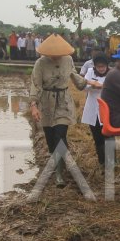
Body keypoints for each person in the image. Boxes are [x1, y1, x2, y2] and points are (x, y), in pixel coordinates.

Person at [29, 34, 86, 187]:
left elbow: (74, 74)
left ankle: (59, 174)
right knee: (51, 139)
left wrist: (88, 83)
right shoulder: (40, 63)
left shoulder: (68, 59)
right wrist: (33, 106)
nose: (55, 57)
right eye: (52, 55)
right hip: (46, 102)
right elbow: (35, 84)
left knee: (60, 135)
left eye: (58, 55)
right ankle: (60, 161)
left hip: (63, 102)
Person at [81, 53, 111, 166]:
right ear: (95, 66)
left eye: (103, 66)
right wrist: (92, 85)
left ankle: (111, 161)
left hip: (107, 109)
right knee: (97, 137)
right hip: (93, 108)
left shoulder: (112, 74)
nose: (101, 69)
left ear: (107, 66)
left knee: (108, 136)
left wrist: (102, 86)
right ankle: (102, 162)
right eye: (99, 67)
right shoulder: (89, 72)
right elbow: (83, 86)